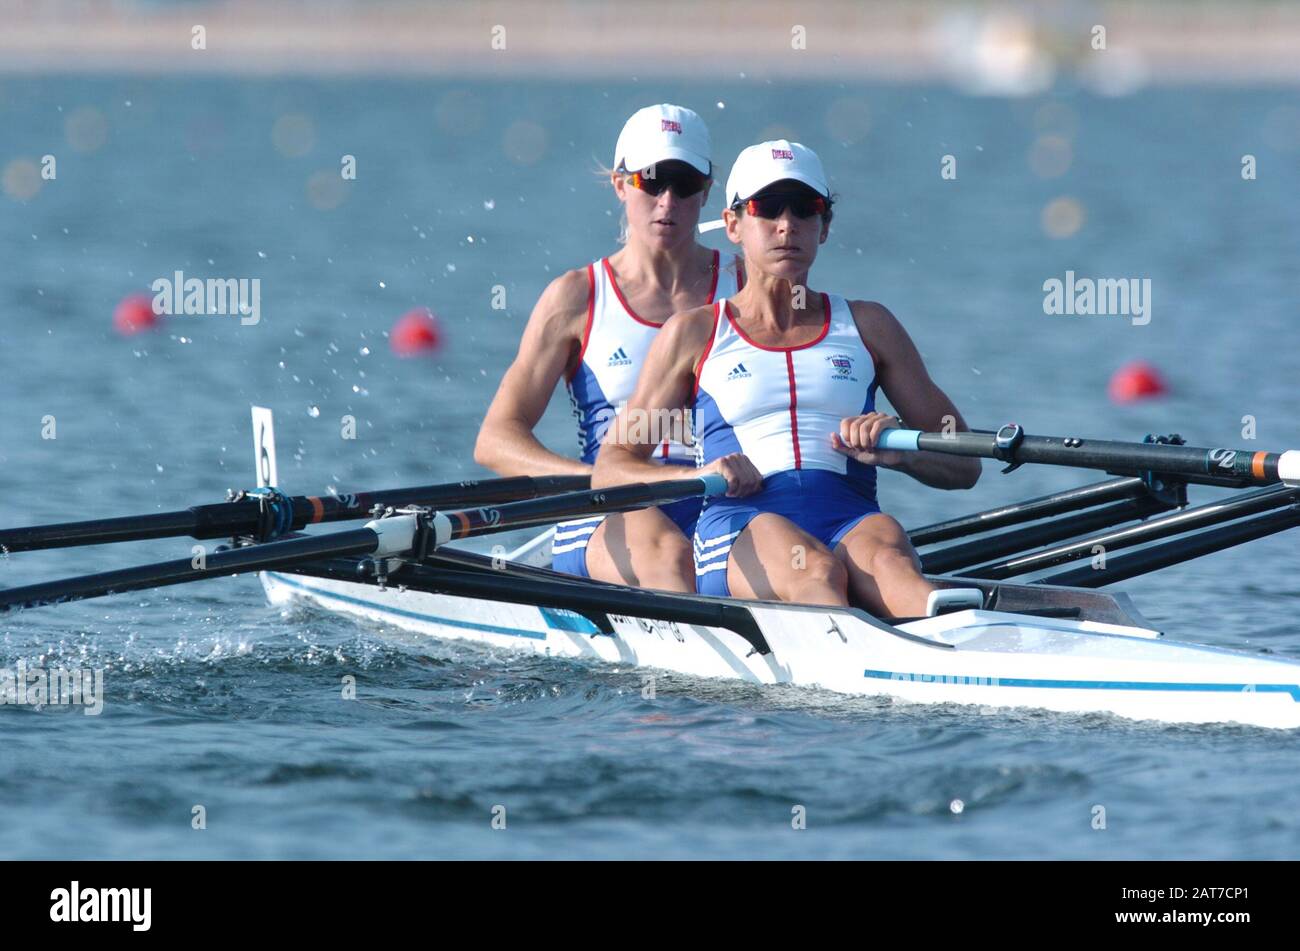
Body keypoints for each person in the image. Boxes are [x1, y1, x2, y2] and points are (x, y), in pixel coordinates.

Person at [592, 140, 980, 617]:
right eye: (767, 208)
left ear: (825, 226)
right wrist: (697, 477)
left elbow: (965, 463)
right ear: (734, 224)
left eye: (805, 209)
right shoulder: (694, 333)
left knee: (889, 556)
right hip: (741, 526)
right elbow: (611, 467)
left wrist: (900, 454)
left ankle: (955, 642)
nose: (787, 225)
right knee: (814, 571)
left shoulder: (870, 325)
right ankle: (850, 661)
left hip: (849, 519)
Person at [474, 104, 743, 591]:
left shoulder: (747, 286)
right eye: (651, 181)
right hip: (612, 507)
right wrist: (596, 476)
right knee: (668, 557)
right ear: (621, 184)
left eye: (683, 184)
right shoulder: (577, 297)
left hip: (724, 499)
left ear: (706, 191)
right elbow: (496, 439)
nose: (667, 201)